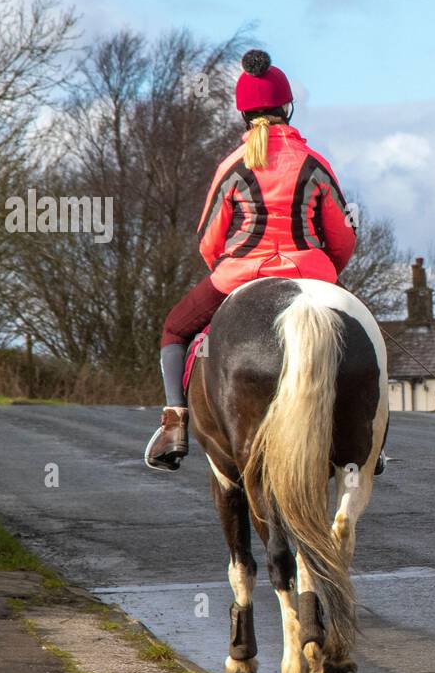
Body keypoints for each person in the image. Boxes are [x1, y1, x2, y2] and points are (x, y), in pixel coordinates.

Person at [145, 49, 355, 471]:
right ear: (287, 108)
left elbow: (208, 239)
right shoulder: (315, 164)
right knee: (359, 339)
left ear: (243, 114)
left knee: (174, 328)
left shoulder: (232, 166)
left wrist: (230, 266)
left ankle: (174, 424)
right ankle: (361, 436)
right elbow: (343, 236)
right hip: (311, 275)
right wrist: (326, 271)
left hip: (238, 275)